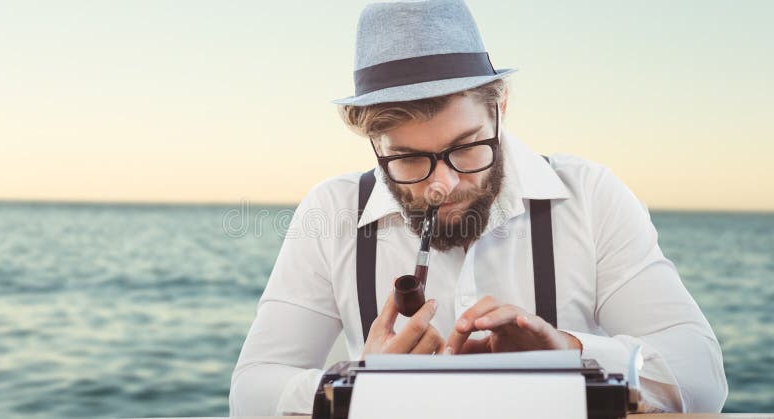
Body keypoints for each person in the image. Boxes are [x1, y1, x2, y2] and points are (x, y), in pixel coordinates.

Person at [229, 0, 727, 415]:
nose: (441, 185)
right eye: (408, 158)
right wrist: (358, 387)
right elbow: (250, 392)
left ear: (500, 107)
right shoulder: (333, 211)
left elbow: (702, 379)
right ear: (375, 144)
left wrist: (573, 355)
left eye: (466, 147)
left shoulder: (591, 196)